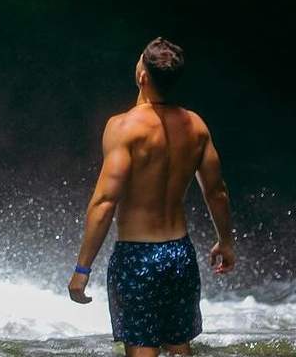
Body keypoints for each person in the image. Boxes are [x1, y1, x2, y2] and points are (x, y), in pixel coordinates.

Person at [67, 37, 236, 356]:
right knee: (179, 347)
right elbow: (216, 192)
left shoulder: (124, 128)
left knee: (143, 351)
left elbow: (105, 202)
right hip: (179, 254)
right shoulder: (196, 126)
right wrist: (225, 241)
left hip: (137, 256)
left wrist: (82, 270)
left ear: (142, 75)